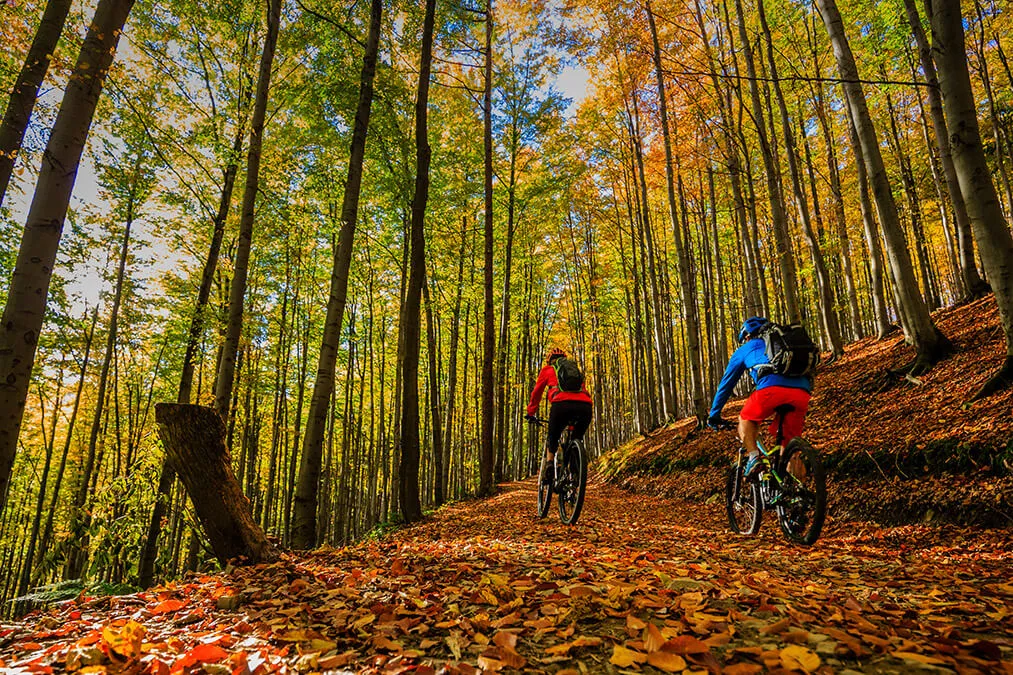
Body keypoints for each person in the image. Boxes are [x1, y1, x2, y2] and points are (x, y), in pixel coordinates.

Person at [707, 317, 812, 477]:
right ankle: (799, 496)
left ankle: (754, 458)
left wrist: (714, 414)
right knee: (790, 450)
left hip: (771, 390)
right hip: (801, 393)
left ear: (747, 336)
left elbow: (726, 384)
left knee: (746, 419)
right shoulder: (783, 344)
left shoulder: (745, 349)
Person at [525, 348, 593, 484]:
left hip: (561, 405)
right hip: (585, 407)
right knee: (577, 437)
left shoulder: (548, 370)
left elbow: (537, 392)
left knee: (553, 435)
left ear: (550, 360)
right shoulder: (574, 370)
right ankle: (575, 470)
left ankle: (550, 463)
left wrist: (531, 412)